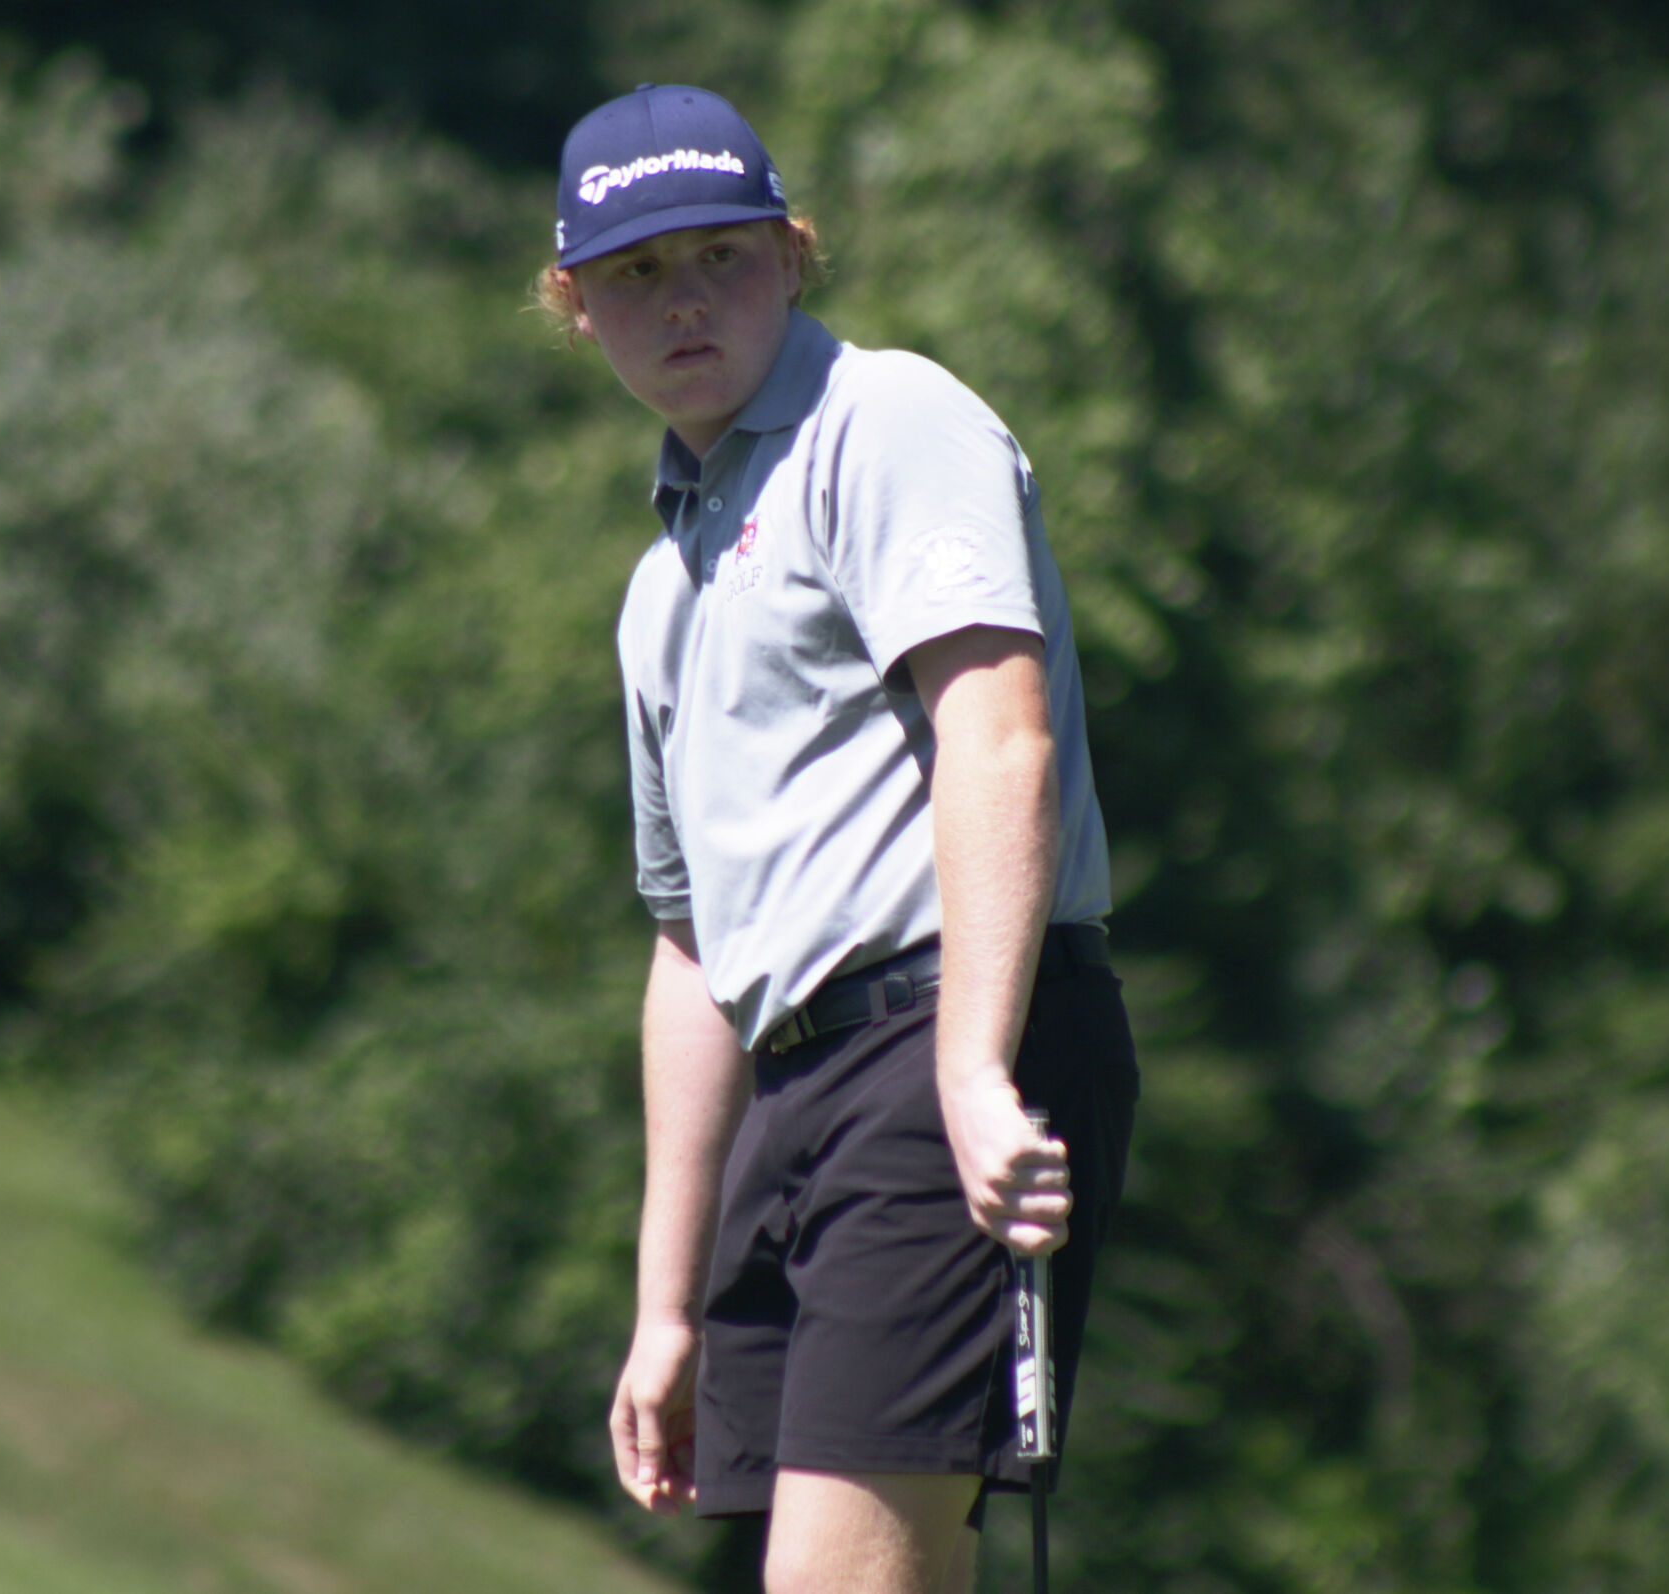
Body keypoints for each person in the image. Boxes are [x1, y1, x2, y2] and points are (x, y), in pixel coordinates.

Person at [536, 84, 1139, 1594]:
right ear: (576, 306)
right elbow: (692, 946)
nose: (684, 302)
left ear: (794, 255)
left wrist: (973, 1073)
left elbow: (999, 736)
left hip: (946, 1036)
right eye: (636, 274)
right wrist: (666, 1301)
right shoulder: (661, 591)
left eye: (721, 256)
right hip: (797, 1092)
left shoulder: (889, 422)